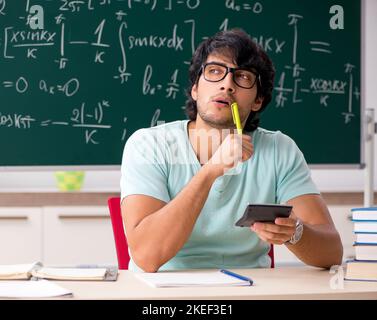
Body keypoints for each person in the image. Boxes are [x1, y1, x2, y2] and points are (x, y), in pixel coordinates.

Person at [120, 28, 343, 273]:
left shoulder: (280, 149)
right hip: (166, 289)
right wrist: (211, 171)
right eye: (215, 71)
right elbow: (147, 256)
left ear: (258, 100)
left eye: (243, 77)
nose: (227, 85)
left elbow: (332, 253)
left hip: (250, 288)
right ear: (195, 89)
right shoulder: (148, 145)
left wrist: (295, 232)